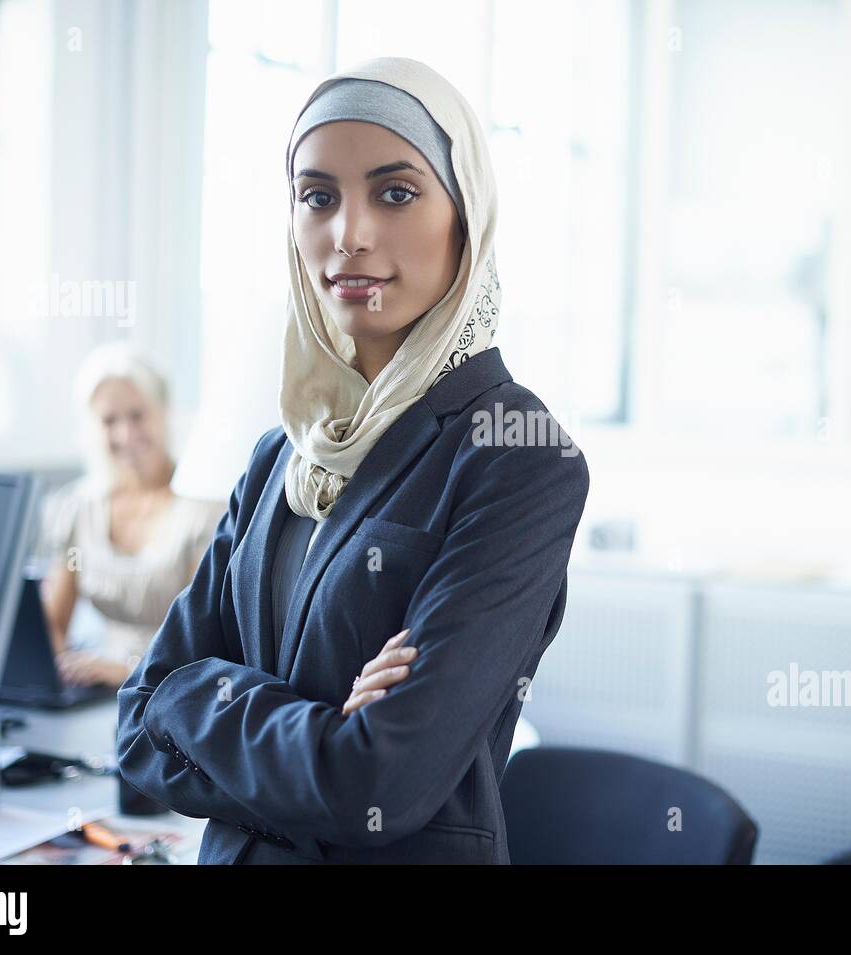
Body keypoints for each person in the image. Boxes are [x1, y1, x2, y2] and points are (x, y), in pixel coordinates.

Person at [116, 56, 589, 865]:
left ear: (465, 217)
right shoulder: (279, 458)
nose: (350, 234)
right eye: (318, 196)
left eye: (395, 192)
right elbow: (134, 735)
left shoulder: (518, 453)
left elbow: (379, 787)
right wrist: (323, 732)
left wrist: (195, 698)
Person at [41, 343, 225, 688]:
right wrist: (55, 675)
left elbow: (203, 636)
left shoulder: (202, 512)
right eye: (109, 420)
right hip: (98, 690)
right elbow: (54, 624)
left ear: (164, 413)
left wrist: (127, 670)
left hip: (174, 689)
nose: (125, 435)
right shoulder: (81, 507)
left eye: (138, 415)